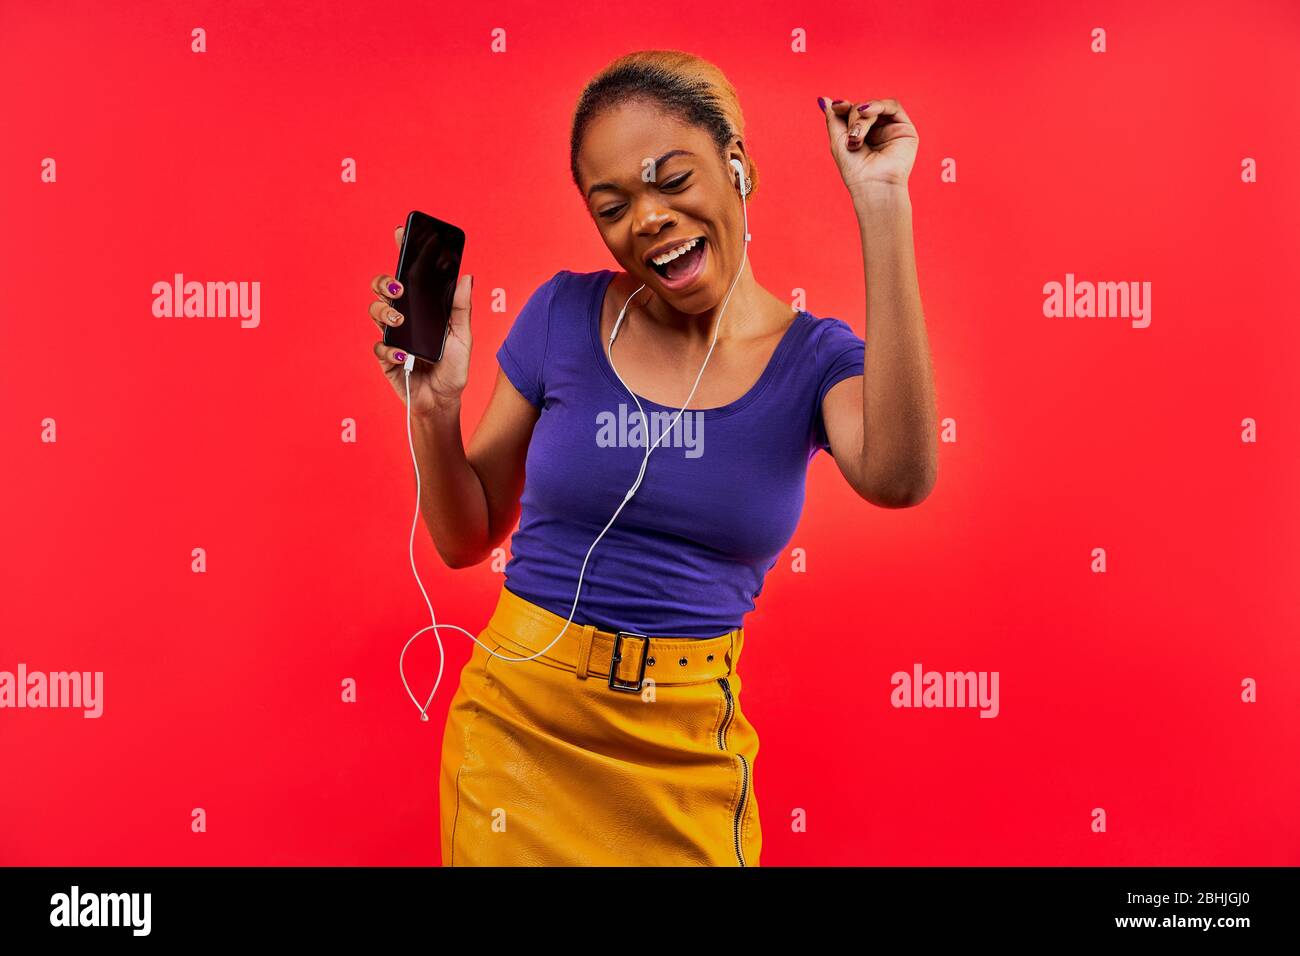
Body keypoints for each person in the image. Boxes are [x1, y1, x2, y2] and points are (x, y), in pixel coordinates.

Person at [365, 49, 937, 866]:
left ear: (735, 163)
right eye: (614, 206)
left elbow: (901, 477)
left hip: (686, 750)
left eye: (673, 180)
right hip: (521, 732)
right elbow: (465, 540)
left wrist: (881, 201)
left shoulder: (815, 360)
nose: (649, 218)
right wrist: (433, 406)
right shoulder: (562, 314)